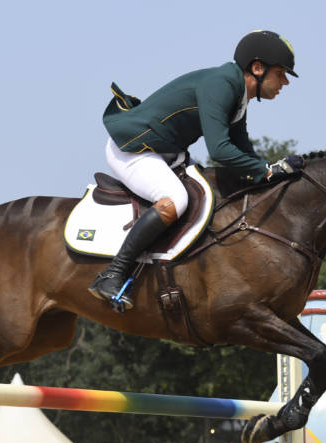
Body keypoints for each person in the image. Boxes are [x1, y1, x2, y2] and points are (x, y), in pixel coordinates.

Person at [89, 30, 302, 311]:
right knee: (175, 200)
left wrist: (270, 173)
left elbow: (242, 150)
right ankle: (112, 274)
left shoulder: (239, 94)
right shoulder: (222, 84)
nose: (285, 82)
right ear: (258, 68)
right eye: (281, 73)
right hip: (133, 149)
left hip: (165, 154)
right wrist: (268, 169)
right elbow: (220, 150)